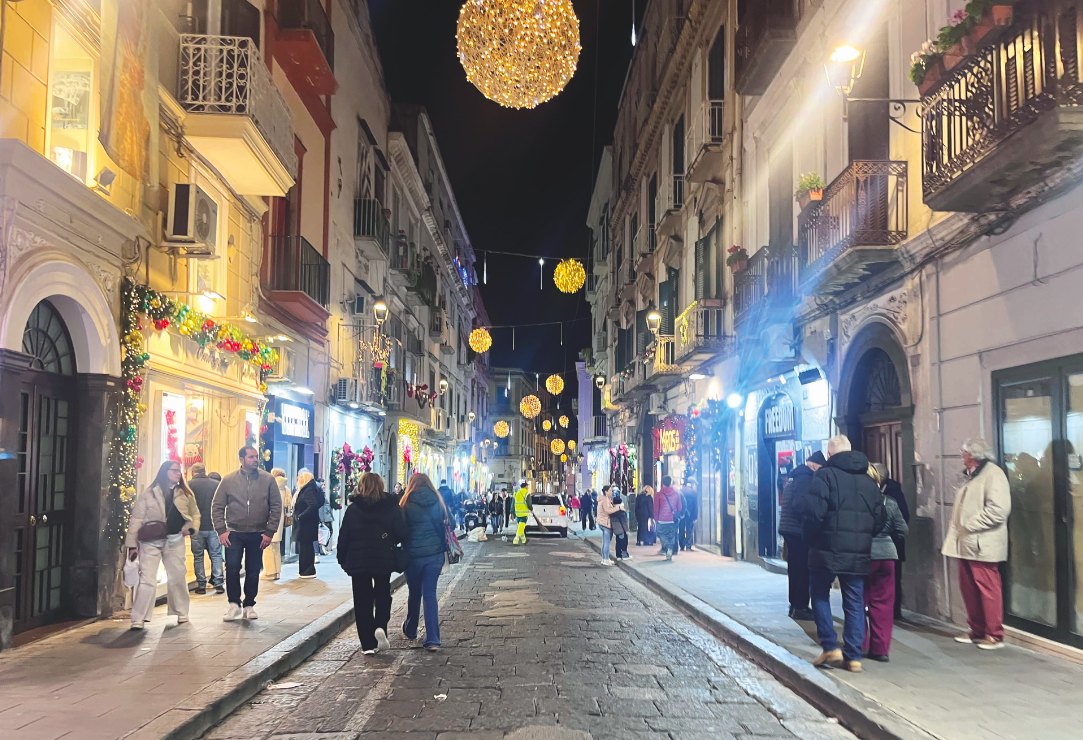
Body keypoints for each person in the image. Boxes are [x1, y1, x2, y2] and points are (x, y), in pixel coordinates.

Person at [799, 435, 885, 673]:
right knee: (855, 601)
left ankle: (830, 645)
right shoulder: (869, 481)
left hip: (825, 549)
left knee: (818, 593)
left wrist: (810, 538)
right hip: (857, 551)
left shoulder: (825, 476)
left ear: (829, 455)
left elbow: (812, 513)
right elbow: (880, 520)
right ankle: (854, 656)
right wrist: (863, 536)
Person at [942, 438, 1011, 650]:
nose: (961, 455)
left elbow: (999, 509)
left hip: (983, 543)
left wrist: (971, 524)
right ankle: (977, 629)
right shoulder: (973, 475)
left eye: (964, 452)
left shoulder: (993, 474)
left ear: (974, 455)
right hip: (967, 543)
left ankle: (994, 634)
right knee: (969, 588)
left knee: (988, 588)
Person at [338, 472, 408, 655]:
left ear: (361, 486)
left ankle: (367, 644)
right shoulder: (391, 507)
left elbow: (344, 537)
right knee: (383, 594)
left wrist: (342, 560)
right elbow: (402, 533)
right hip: (383, 557)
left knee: (362, 601)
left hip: (358, 560)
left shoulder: (353, 509)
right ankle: (380, 626)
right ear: (381, 486)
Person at [126, 460, 200, 629]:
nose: (178, 473)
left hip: (175, 539)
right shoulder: (149, 493)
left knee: (178, 576)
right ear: (165, 472)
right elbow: (136, 519)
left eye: (179, 470)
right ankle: (138, 618)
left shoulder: (185, 494)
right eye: (174, 470)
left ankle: (182, 612)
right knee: (147, 579)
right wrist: (132, 545)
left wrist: (191, 528)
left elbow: (195, 514)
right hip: (151, 541)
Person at [212, 446, 282, 621]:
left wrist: (269, 531)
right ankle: (233, 604)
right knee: (233, 568)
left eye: (256, 456)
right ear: (241, 459)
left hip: (258, 533)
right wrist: (221, 530)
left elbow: (276, 506)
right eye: (251, 457)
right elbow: (217, 506)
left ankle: (249, 604)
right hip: (234, 532)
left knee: (253, 570)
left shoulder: (268, 480)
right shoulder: (228, 480)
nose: (255, 459)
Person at [864, 464, 909, 661]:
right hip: (887, 556)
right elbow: (902, 530)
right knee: (883, 604)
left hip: (864, 555)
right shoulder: (890, 502)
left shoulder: (860, 501)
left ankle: (860, 644)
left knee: (858, 601)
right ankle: (881, 649)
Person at [400, 473, 449, 651]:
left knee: (414, 593)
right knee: (430, 594)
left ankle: (411, 629)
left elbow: (401, 529)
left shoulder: (405, 502)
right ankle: (433, 639)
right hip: (435, 554)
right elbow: (447, 520)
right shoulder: (437, 499)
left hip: (413, 556)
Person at [778, 451, 826, 620]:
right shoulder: (806, 479)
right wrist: (810, 519)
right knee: (803, 569)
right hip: (797, 530)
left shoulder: (797, 477)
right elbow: (800, 504)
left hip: (790, 529)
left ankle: (794, 605)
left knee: (795, 569)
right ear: (814, 466)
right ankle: (800, 606)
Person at [872, 462, 910, 619]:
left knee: (892, 580)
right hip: (886, 546)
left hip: (891, 545)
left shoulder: (894, 494)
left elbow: (903, 519)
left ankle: (894, 610)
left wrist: (892, 536)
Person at [188, 463, 224, 595]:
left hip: (196, 527)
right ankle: (219, 583)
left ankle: (201, 585)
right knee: (216, 554)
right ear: (205, 471)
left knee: (198, 556)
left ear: (193, 472)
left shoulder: (188, 485)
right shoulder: (216, 485)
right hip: (214, 525)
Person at [293, 469, 325, 579]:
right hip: (308, 523)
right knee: (305, 547)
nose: (298, 480)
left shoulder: (308, 490)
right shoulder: (312, 488)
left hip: (306, 524)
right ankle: (305, 570)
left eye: (300, 478)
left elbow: (313, 505)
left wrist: (300, 516)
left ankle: (307, 571)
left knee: (305, 547)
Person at [262, 469, 292, 581]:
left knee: (267, 546)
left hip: (270, 519)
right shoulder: (286, 488)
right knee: (276, 546)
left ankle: (269, 572)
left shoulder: (270, 486)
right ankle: (277, 571)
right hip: (280, 520)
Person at [655, 476, 683, 561]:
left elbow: (656, 508)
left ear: (662, 483)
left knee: (661, 534)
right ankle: (669, 549)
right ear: (670, 482)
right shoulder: (676, 494)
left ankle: (667, 548)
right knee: (671, 535)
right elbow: (680, 507)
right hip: (672, 519)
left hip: (661, 519)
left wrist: (656, 519)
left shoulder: (658, 495)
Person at [596, 485, 619, 565]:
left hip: (602, 522)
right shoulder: (605, 499)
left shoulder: (604, 499)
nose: (611, 492)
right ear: (606, 492)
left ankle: (604, 558)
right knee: (607, 542)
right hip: (605, 522)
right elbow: (607, 510)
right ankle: (605, 559)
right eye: (610, 491)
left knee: (605, 541)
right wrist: (617, 508)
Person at [679, 479, 700, 551]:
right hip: (690, 514)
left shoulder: (681, 491)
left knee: (681, 529)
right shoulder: (694, 492)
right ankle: (688, 546)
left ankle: (681, 546)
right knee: (689, 530)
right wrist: (695, 516)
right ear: (692, 484)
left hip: (682, 513)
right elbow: (695, 505)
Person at [610, 490, 631, 560]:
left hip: (616, 531)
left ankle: (618, 555)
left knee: (618, 543)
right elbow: (624, 522)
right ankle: (624, 555)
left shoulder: (613, 511)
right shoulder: (621, 511)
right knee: (624, 542)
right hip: (622, 530)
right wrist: (627, 530)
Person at [512, 480, 532, 545]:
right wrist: (531, 509)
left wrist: (512, 512)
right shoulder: (527, 493)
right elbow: (529, 503)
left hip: (517, 513)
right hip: (524, 513)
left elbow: (513, 503)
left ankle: (524, 540)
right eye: (527, 486)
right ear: (525, 486)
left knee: (520, 527)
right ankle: (516, 539)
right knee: (521, 527)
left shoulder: (517, 493)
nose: (528, 487)